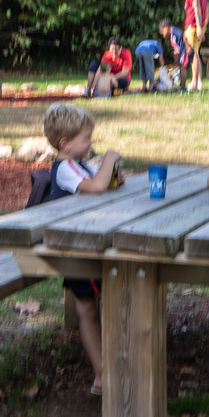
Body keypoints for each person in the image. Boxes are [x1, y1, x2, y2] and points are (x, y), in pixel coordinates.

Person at [41, 102, 124, 396]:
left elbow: (100, 185)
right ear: (65, 144)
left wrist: (113, 177)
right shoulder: (64, 169)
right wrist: (110, 161)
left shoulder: (81, 164)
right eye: (86, 139)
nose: (91, 143)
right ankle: (103, 373)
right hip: (72, 249)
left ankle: (108, 368)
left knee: (89, 306)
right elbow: (95, 188)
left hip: (86, 242)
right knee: (88, 307)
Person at [175, 0, 209, 92]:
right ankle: (198, 82)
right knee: (195, 53)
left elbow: (197, 8)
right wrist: (205, 23)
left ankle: (195, 82)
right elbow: (208, 9)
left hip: (193, 27)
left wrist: (199, 27)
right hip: (198, 26)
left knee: (192, 54)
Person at [159, 19, 189, 91]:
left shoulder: (174, 30)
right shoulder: (172, 36)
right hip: (181, 52)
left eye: (163, 32)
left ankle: (182, 86)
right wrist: (176, 60)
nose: (163, 36)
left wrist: (187, 46)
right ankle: (180, 85)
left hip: (184, 50)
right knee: (180, 67)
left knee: (182, 67)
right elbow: (176, 49)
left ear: (166, 27)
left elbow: (183, 35)